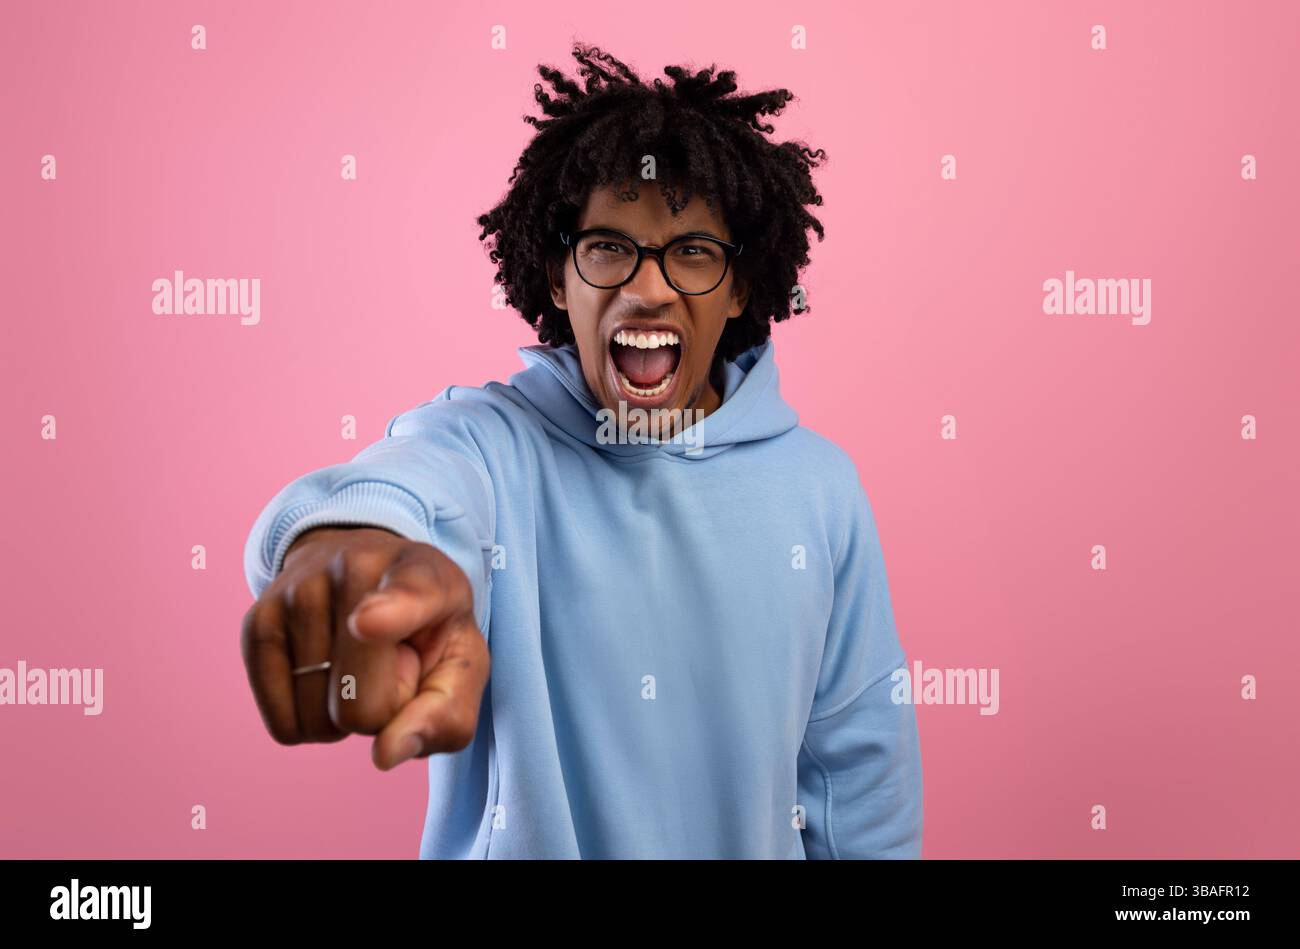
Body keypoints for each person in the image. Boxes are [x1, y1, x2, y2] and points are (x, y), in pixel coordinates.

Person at [241, 43, 923, 859]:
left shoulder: (820, 488)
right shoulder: (493, 445)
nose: (650, 286)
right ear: (559, 278)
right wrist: (347, 545)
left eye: (693, 252)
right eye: (608, 246)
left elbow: (860, 780)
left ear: (741, 288)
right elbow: (405, 487)